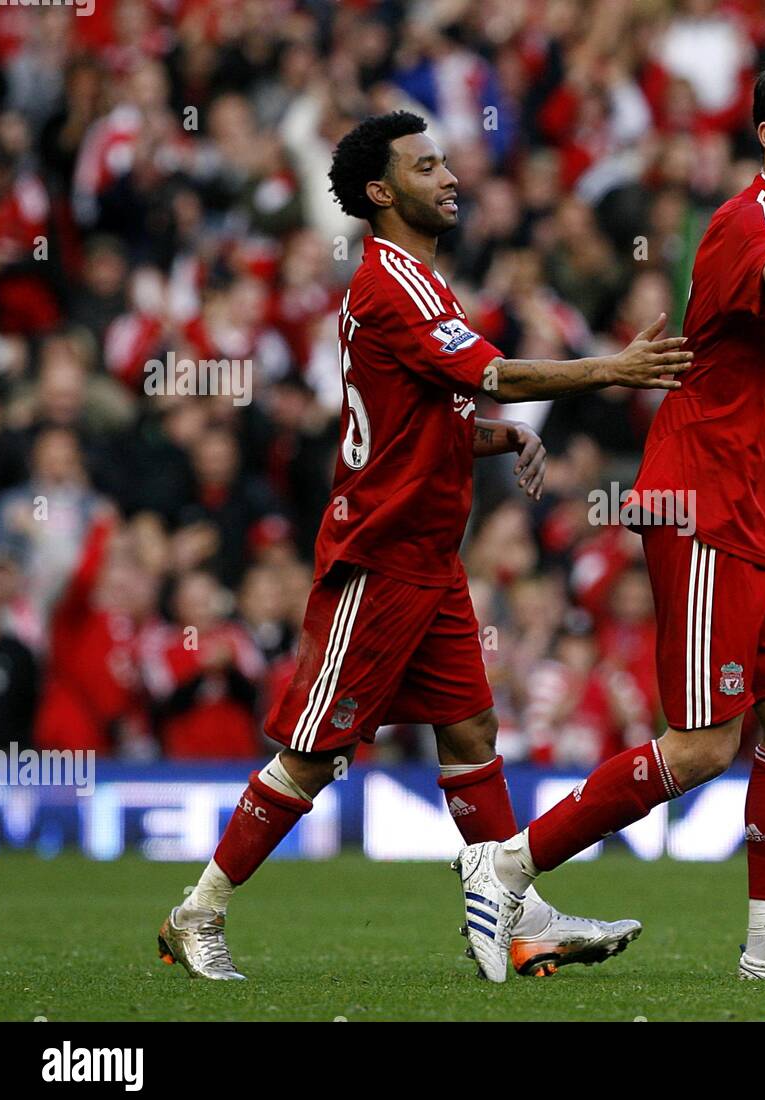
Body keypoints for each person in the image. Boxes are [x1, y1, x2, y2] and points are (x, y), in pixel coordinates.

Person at [157, 111, 692, 981]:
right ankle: (197, 911)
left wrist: (490, 438)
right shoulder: (389, 283)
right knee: (316, 752)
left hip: (431, 559)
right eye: (427, 165)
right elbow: (492, 373)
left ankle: (519, 912)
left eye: (447, 162)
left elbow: (415, 414)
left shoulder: (424, 284)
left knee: (472, 725)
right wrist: (612, 368)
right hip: (379, 556)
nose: (450, 177)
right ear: (381, 192)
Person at [456, 57, 765, 983]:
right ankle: (505, 863)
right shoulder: (744, 226)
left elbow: (752, 384)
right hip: (707, 514)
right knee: (706, 744)